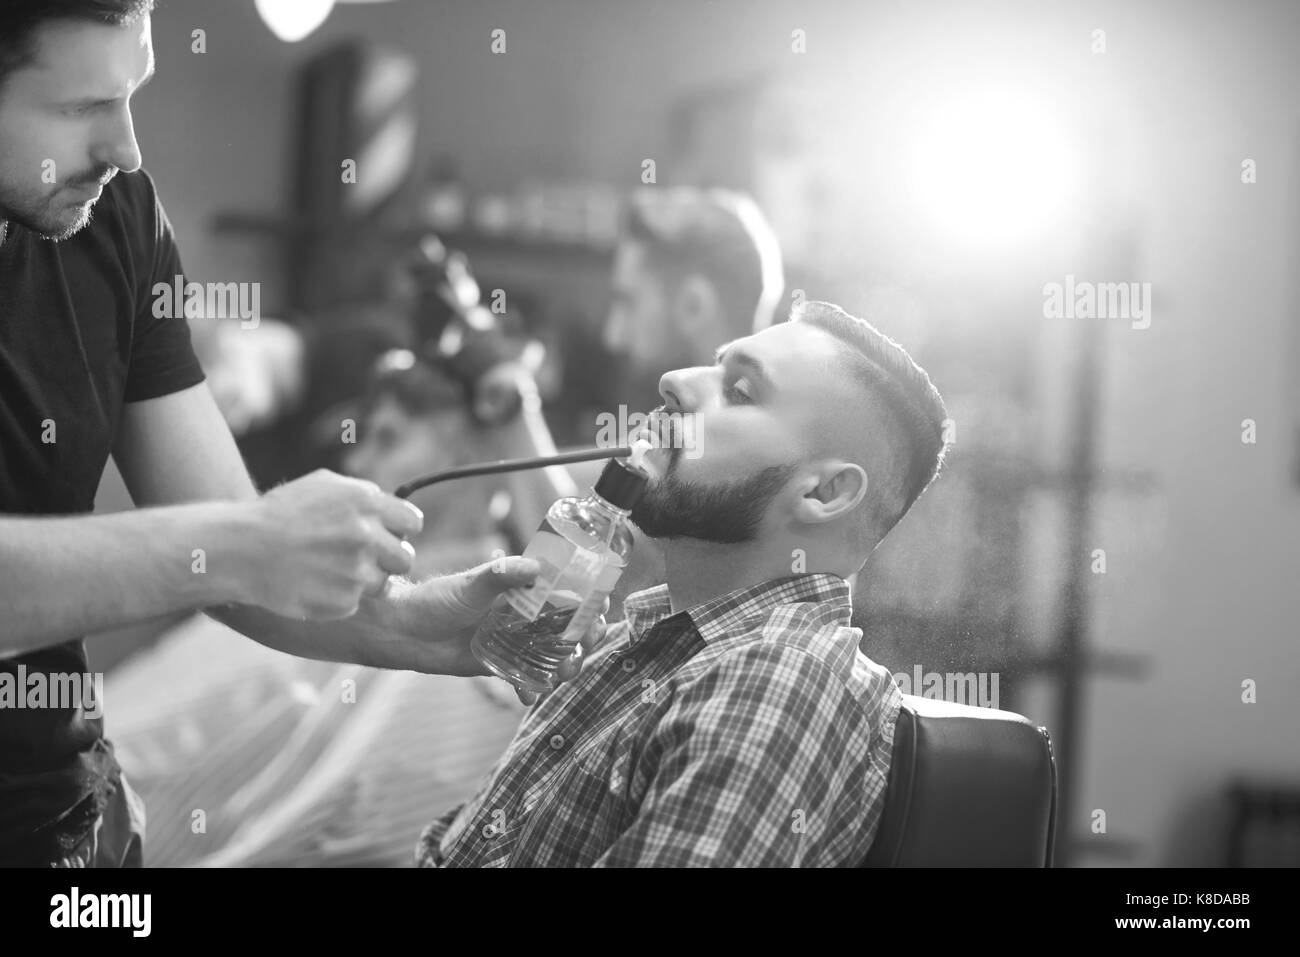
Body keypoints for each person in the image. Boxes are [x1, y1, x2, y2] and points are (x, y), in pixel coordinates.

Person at [0, 0, 597, 868]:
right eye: (82, 108)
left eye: (133, 95)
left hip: (70, 821)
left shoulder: (116, 218)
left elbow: (225, 553)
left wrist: (424, 627)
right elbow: (232, 543)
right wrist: (250, 540)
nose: (126, 149)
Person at [417, 300, 952, 867]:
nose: (674, 381)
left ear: (824, 494)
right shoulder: (634, 641)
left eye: (740, 392)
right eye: (714, 368)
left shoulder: (777, 678)